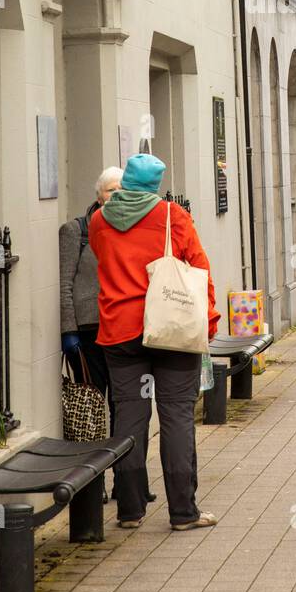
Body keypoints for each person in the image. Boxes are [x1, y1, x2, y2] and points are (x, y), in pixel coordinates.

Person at [89, 153, 220, 530]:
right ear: (155, 185)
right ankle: (183, 512)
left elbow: (103, 258)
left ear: (126, 181)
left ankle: (129, 510)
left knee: (130, 416)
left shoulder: (99, 220)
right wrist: (208, 319)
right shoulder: (171, 216)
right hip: (170, 328)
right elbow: (197, 266)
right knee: (177, 416)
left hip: (120, 331)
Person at [59, 167, 123, 415]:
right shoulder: (76, 231)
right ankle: (94, 451)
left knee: (122, 401)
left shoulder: (129, 229)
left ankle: (122, 452)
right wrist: (69, 331)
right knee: (92, 402)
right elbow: (64, 283)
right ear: (99, 197)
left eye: (121, 189)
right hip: (89, 330)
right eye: (111, 190)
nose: (117, 195)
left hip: (121, 328)